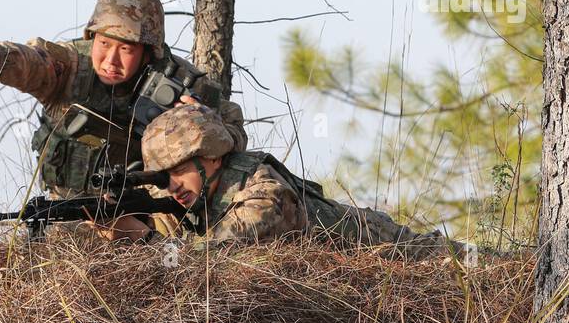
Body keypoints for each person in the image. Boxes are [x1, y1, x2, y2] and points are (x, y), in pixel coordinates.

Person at [0, 0, 246, 210]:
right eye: (103, 43)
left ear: (148, 53)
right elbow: (35, 63)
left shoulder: (179, 84)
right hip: (69, 209)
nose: (110, 59)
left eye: (126, 50)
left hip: (148, 218)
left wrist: (207, 125)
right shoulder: (71, 65)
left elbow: (235, 133)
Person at [130, 103, 460, 259]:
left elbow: (207, 264)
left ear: (212, 156)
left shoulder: (263, 200)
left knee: (486, 267)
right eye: (164, 176)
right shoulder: (198, 197)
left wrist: (145, 239)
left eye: (178, 171)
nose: (171, 185)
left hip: (392, 250)